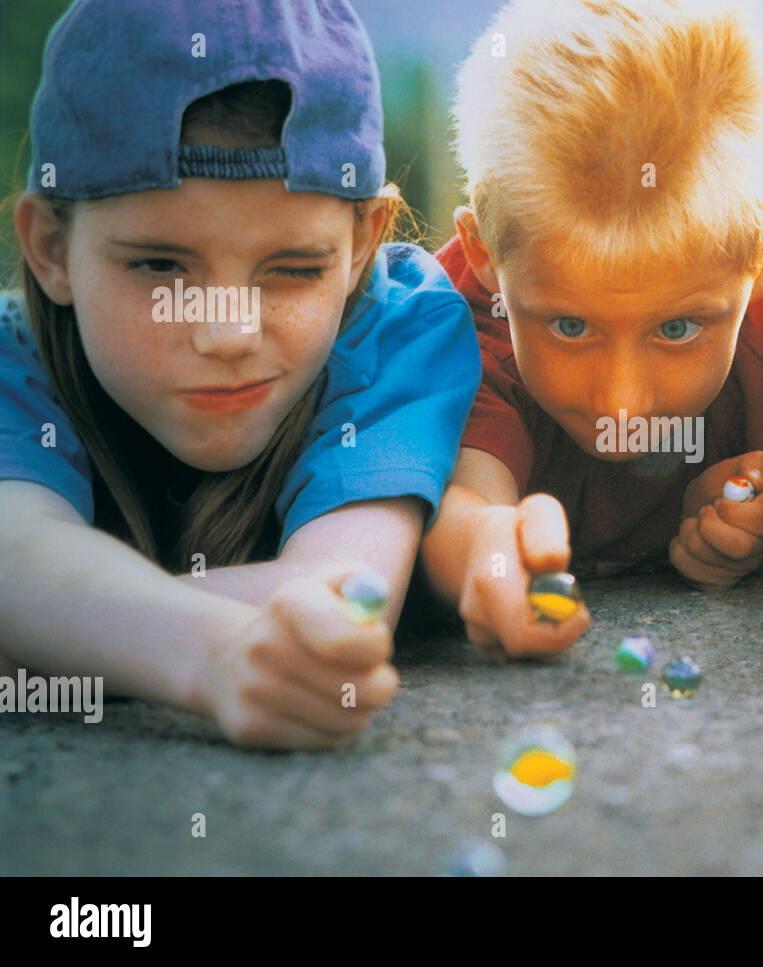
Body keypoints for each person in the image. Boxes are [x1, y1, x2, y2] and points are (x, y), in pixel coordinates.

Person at [0, 0, 480, 746]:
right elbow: (17, 559)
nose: (228, 334)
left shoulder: (399, 331)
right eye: (159, 265)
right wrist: (210, 652)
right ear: (51, 249)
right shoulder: (13, 360)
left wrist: (59, 630)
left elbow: (345, 594)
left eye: (292, 268)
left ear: (362, 244)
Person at [420, 0, 763, 660]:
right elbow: (461, 500)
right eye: (570, 326)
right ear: (485, 253)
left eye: (679, 326)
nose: (621, 402)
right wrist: (490, 551)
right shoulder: (454, 324)